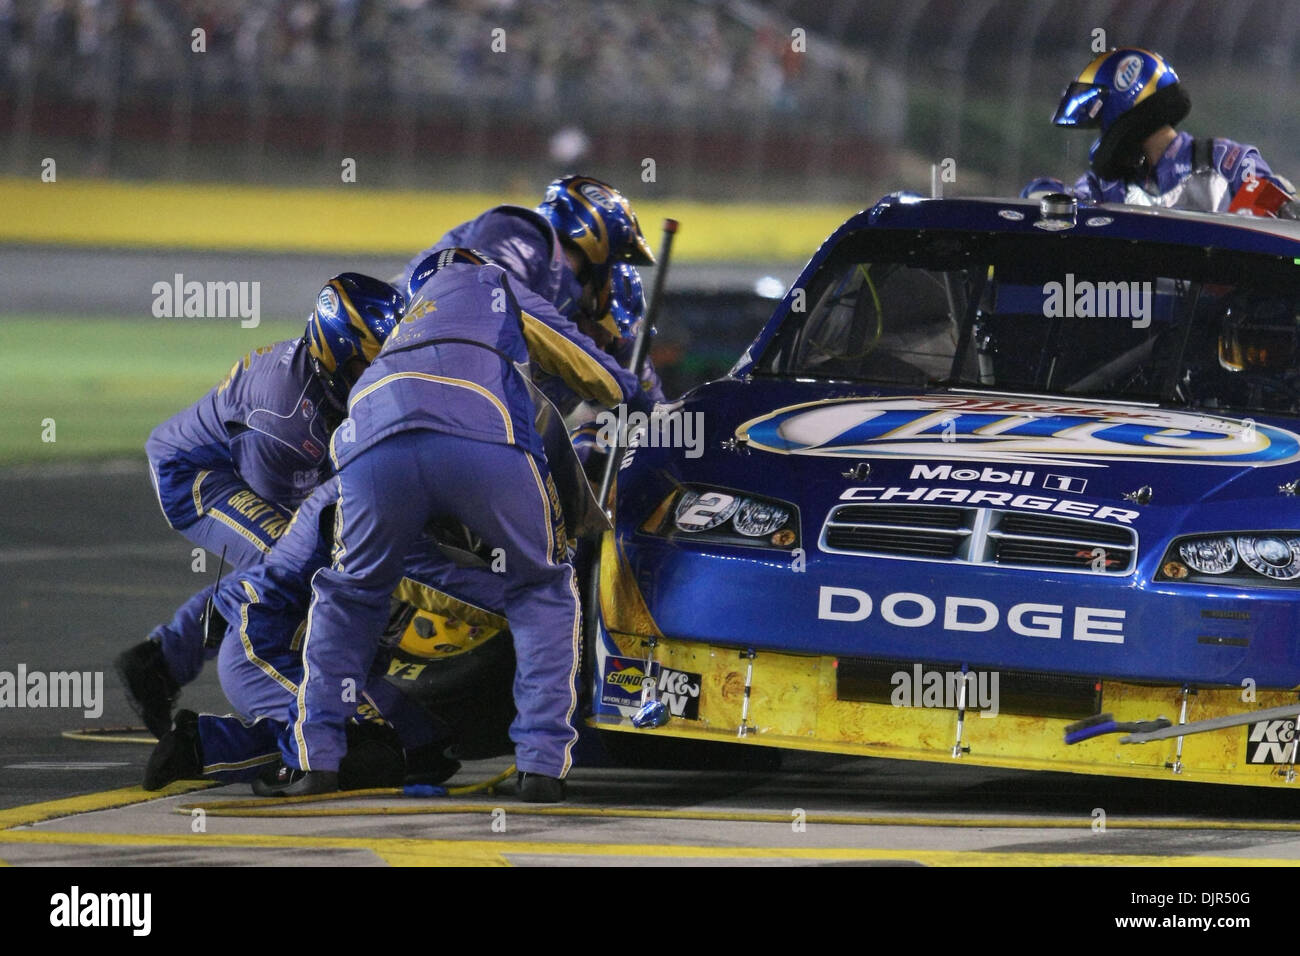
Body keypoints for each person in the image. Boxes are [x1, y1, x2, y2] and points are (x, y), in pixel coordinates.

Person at [258, 249, 636, 802]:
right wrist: (635, 395)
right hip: (482, 437)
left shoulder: (403, 328)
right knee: (542, 589)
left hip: (370, 437)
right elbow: (600, 376)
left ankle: (318, 762)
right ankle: (540, 767)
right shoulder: (492, 281)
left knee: (349, 596)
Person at [117, 274, 405, 737]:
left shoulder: (320, 380)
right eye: (368, 369)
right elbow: (297, 534)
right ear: (337, 355)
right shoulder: (285, 420)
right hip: (197, 476)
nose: (379, 381)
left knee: (293, 559)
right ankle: (171, 663)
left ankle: (161, 659)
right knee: (287, 563)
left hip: (237, 459)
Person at [1039, 47, 1293, 212]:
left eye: (1102, 125)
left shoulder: (1226, 161)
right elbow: (1064, 206)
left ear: (1123, 110)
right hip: (1129, 297)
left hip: (1225, 296)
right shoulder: (1104, 186)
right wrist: (1039, 193)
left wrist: (1279, 202)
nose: (1103, 139)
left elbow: (1276, 208)